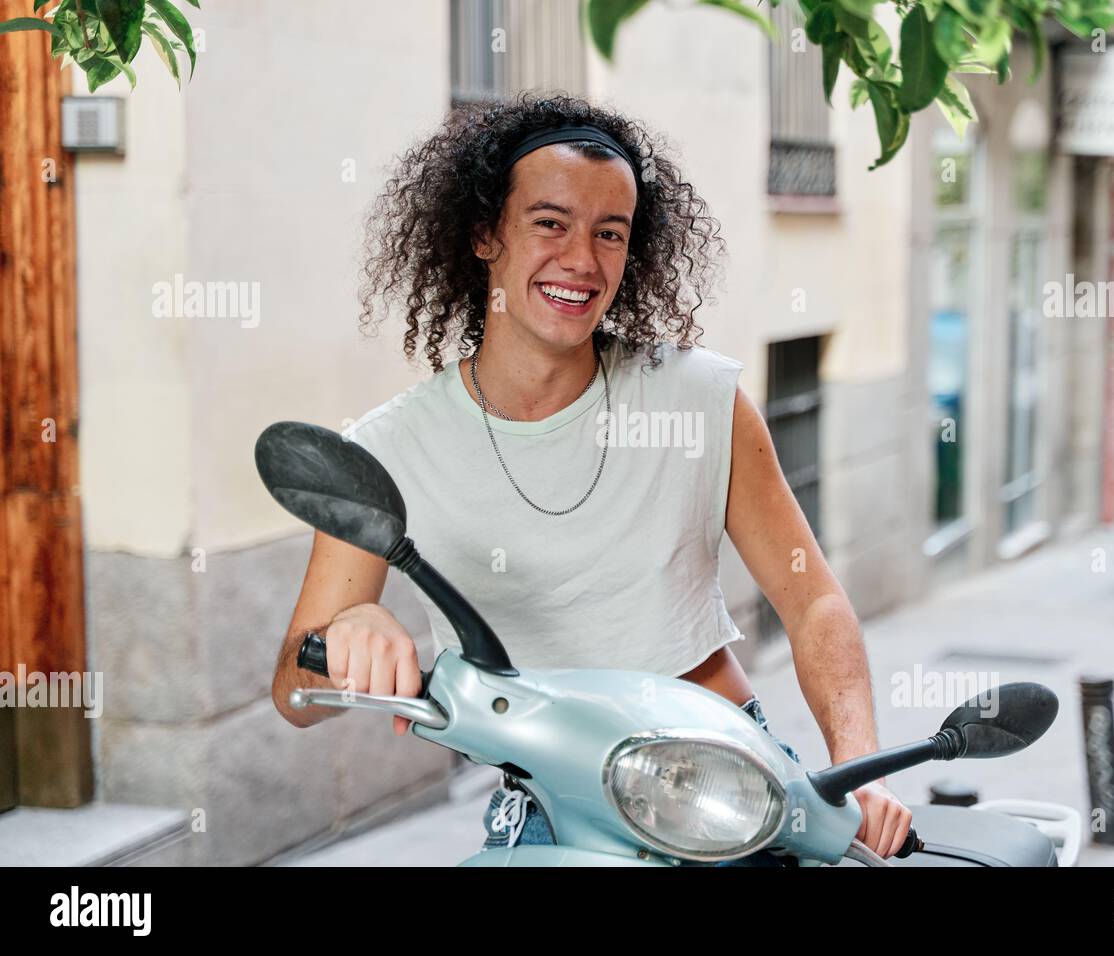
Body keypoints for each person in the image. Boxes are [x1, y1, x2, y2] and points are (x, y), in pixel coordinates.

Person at [270, 91, 911, 864]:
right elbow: (292, 692)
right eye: (550, 223)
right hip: (554, 808)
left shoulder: (701, 399)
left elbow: (812, 601)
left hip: (727, 790)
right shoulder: (391, 447)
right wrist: (347, 632)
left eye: (611, 234)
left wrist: (861, 766)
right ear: (483, 234)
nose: (581, 260)